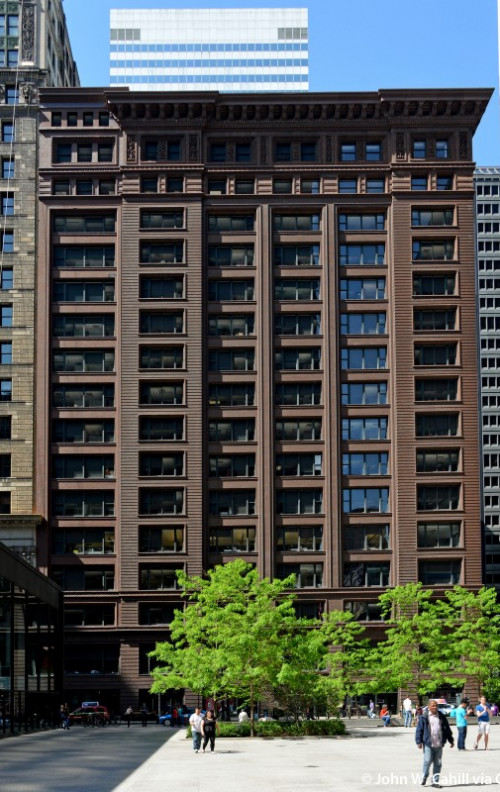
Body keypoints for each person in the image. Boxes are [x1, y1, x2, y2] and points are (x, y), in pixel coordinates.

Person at [415, 698, 454, 788]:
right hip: (428, 743)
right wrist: (419, 741)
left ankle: (435, 782)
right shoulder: (424, 717)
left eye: (436, 706)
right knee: (427, 761)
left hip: (439, 744)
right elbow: (419, 730)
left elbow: (446, 729)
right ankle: (424, 777)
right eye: (433, 706)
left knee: (438, 763)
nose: (435, 707)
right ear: (429, 707)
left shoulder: (441, 716)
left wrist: (450, 740)